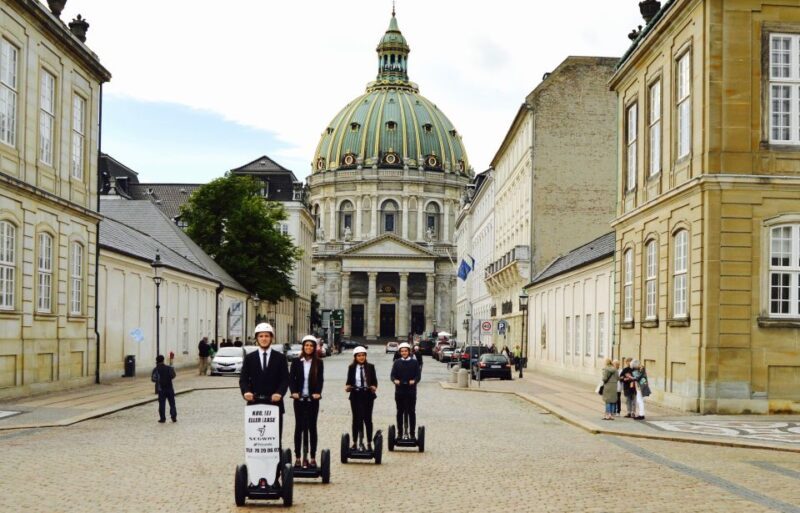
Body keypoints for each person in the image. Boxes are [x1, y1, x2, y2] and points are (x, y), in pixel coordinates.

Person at [239, 323, 290, 440]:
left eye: (267, 336)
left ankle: (277, 458)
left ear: (272, 338)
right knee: (255, 438)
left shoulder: (280, 358)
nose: (264, 339)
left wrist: (279, 393)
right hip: (255, 403)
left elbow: (285, 379)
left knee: (274, 438)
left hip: (274, 403)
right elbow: (243, 379)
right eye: (261, 336)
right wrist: (246, 392)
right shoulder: (250, 358)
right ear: (257, 338)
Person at [289, 335, 324, 468]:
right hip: (299, 399)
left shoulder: (318, 363)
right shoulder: (296, 361)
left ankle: (313, 457)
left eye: (311, 345)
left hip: (312, 400)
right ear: (303, 347)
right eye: (306, 345)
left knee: (312, 427)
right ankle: (298, 456)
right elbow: (292, 379)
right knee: (299, 427)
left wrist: (317, 393)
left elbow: (320, 380)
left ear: (314, 348)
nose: (308, 347)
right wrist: (293, 392)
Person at [345, 346, 377, 451]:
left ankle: (368, 442)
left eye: (363, 355)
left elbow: (374, 382)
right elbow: (348, 382)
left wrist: (373, 387)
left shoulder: (371, 367)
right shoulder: (351, 368)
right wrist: (348, 387)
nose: (361, 357)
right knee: (356, 419)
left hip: (367, 395)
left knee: (367, 419)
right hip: (355, 395)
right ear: (355, 357)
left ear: (366, 356)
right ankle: (355, 442)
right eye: (359, 356)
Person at [390, 342, 421, 439]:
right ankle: (400, 433)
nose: (404, 353)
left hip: (411, 391)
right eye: (402, 351)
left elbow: (418, 376)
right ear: (400, 352)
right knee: (400, 411)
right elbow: (392, 375)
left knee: (411, 411)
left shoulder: (414, 362)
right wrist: (395, 380)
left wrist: (414, 381)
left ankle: (412, 433)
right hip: (399, 391)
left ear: (409, 351)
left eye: (405, 351)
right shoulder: (397, 362)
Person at [151, 355, 177, 423]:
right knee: (172, 403)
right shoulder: (169, 368)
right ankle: (173, 417)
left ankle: (162, 418)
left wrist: (159, 380)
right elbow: (173, 375)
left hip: (161, 389)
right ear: (163, 360)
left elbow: (153, 379)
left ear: (156, 361)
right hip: (169, 388)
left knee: (162, 404)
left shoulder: (156, 369)